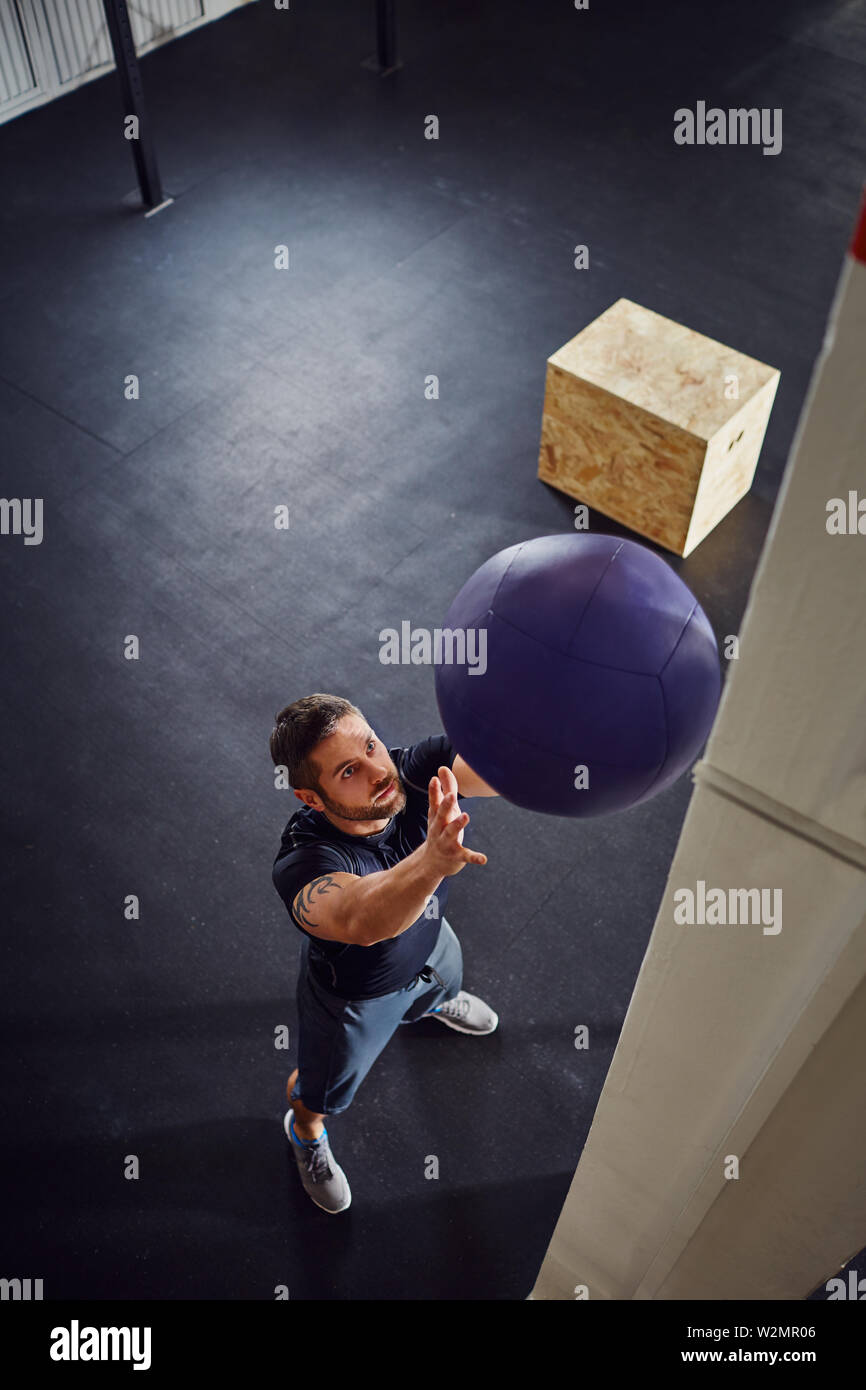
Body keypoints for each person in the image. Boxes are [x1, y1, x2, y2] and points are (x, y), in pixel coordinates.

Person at [270, 692, 499, 1213]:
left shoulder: (411, 769)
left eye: (371, 745)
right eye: (350, 769)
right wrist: (433, 863)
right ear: (311, 797)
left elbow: (497, 771)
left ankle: (433, 1005)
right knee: (321, 1092)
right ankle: (305, 1133)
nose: (379, 771)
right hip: (358, 1000)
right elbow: (362, 919)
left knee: (443, 985)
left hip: (433, 945)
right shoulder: (304, 863)